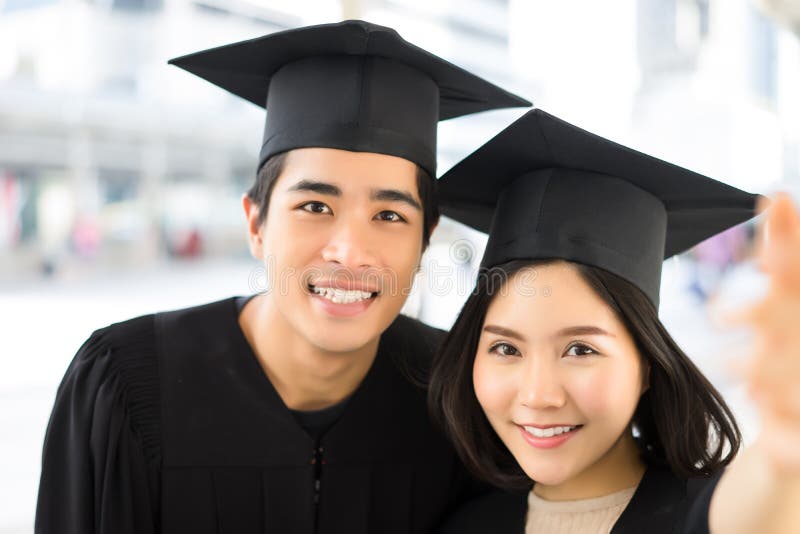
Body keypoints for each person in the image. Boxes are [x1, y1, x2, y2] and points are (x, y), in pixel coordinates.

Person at [34, 20, 531, 534]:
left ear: (424, 239)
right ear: (255, 223)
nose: (349, 252)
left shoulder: (455, 396)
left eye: (389, 216)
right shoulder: (130, 387)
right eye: (315, 205)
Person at [429, 109, 800, 533]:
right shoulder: (466, 525)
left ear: (646, 363)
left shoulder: (701, 513)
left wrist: (783, 453)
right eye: (506, 348)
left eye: (580, 349)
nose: (537, 394)